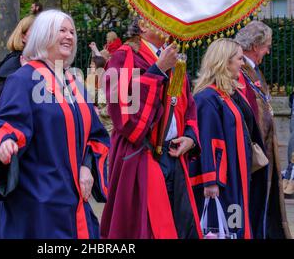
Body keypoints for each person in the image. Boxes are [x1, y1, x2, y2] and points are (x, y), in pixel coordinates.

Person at [0, 9, 109, 239]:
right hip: (36, 201)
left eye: (72, 31)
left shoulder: (75, 83)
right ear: (43, 35)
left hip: (73, 200)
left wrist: (86, 166)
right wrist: (4, 143)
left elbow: (96, 134)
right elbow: (6, 124)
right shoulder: (23, 79)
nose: (69, 36)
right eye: (61, 30)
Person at [100, 17, 201, 239]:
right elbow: (123, 113)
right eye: (162, 18)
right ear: (143, 26)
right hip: (140, 155)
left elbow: (187, 104)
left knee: (181, 227)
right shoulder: (123, 56)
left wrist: (190, 136)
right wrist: (158, 70)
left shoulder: (174, 59)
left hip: (175, 155)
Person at [191, 38, 268, 239]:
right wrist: (210, 180)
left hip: (235, 173)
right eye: (239, 59)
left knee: (236, 224)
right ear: (225, 61)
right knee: (226, 228)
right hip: (222, 179)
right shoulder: (207, 98)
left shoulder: (226, 94)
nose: (242, 64)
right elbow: (208, 142)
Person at [235, 21, 291, 238]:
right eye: (266, 45)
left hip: (263, 150)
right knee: (255, 207)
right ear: (255, 45)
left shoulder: (253, 69)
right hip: (254, 151)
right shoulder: (241, 69)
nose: (268, 51)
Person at [0, 15, 35, 103]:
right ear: (23, 37)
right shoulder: (13, 64)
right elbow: (7, 104)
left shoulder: (50, 61)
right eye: (36, 31)